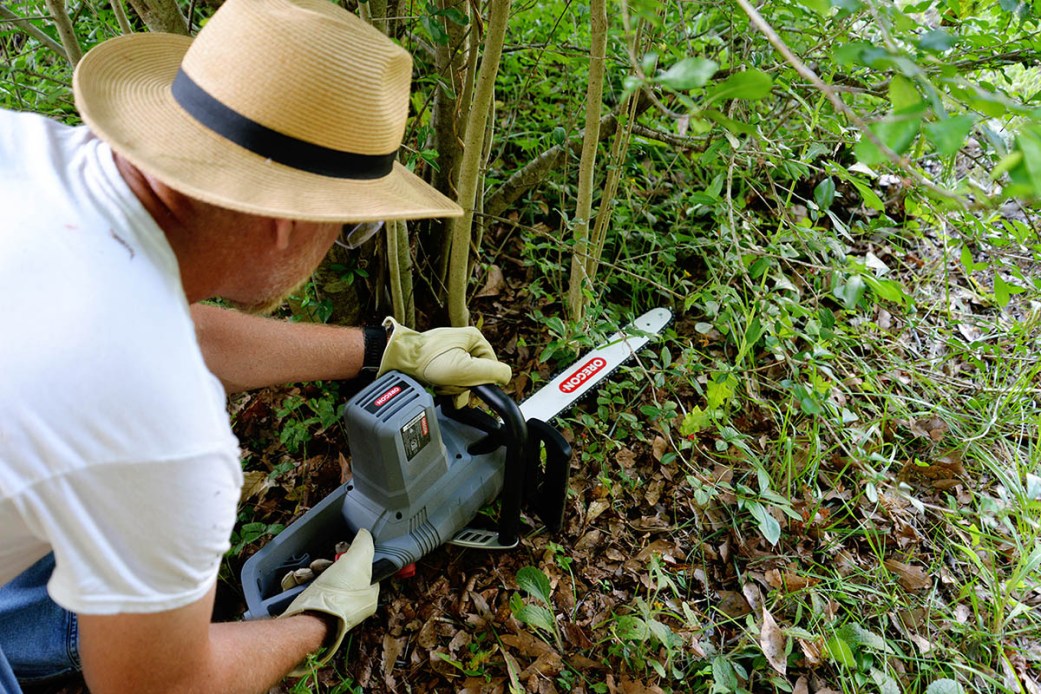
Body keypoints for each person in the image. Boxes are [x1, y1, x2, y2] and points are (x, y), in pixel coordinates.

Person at [0, 0, 511, 691]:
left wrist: (386, 350)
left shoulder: (29, 155)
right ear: (285, 219)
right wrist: (318, 619)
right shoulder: (162, 424)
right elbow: (159, 688)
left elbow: (168, 329)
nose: (334, 245)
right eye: (349, 227)